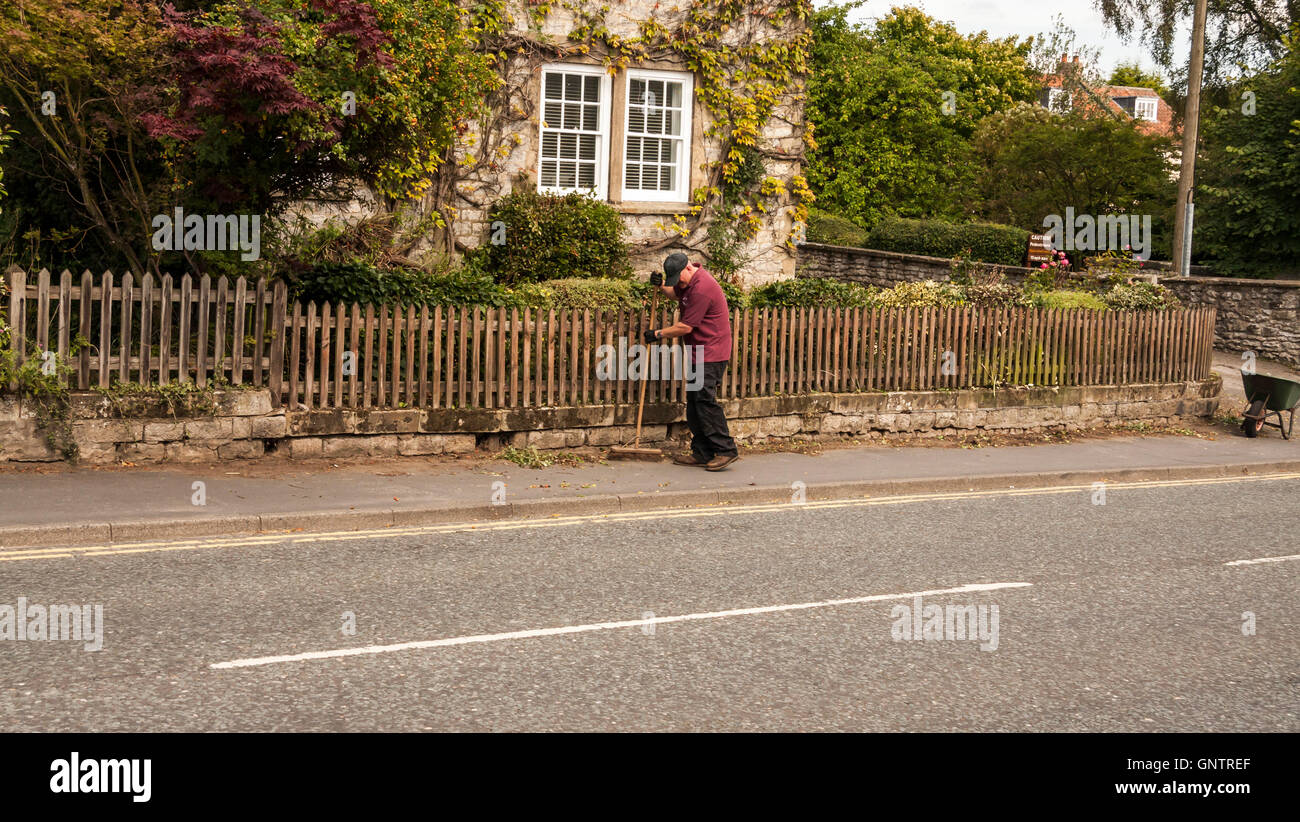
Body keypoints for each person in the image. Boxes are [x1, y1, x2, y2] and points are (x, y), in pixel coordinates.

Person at [645, 252, 739, 471]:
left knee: (704, 401)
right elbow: (674, 293)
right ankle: (703, 452)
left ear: (688, 268)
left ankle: (726, 450)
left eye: (679, 278)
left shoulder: (702, 289)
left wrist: (657, 334)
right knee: (695, 403)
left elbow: (686, 327)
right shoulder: (688, 282)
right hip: (698, 351)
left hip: (712, 352)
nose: (678, 283)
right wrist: (660, 286)